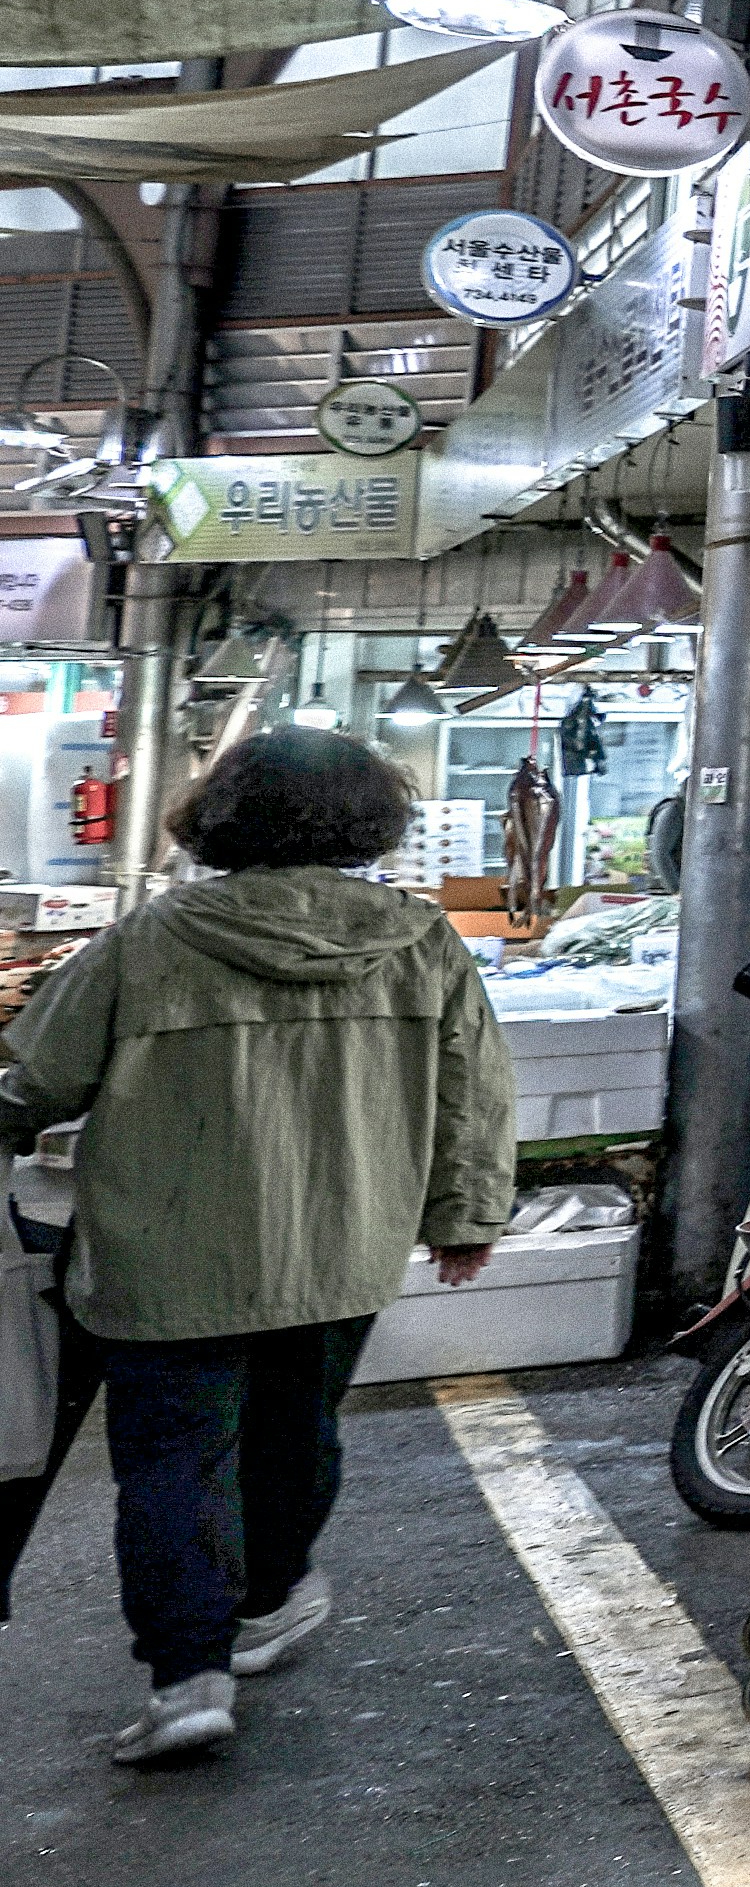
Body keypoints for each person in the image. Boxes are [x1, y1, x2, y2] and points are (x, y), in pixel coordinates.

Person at [0, 728, 508, 1766]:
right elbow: (474, 1092)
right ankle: (270, 1598)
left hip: (168, 1248)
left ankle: (189, 1678)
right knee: (297, 1425)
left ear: (219, 817)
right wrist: (467, 1216)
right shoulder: (422, 941)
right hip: (345, 1245)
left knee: (173, 1459)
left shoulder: (153, 939)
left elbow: (36, 1080)